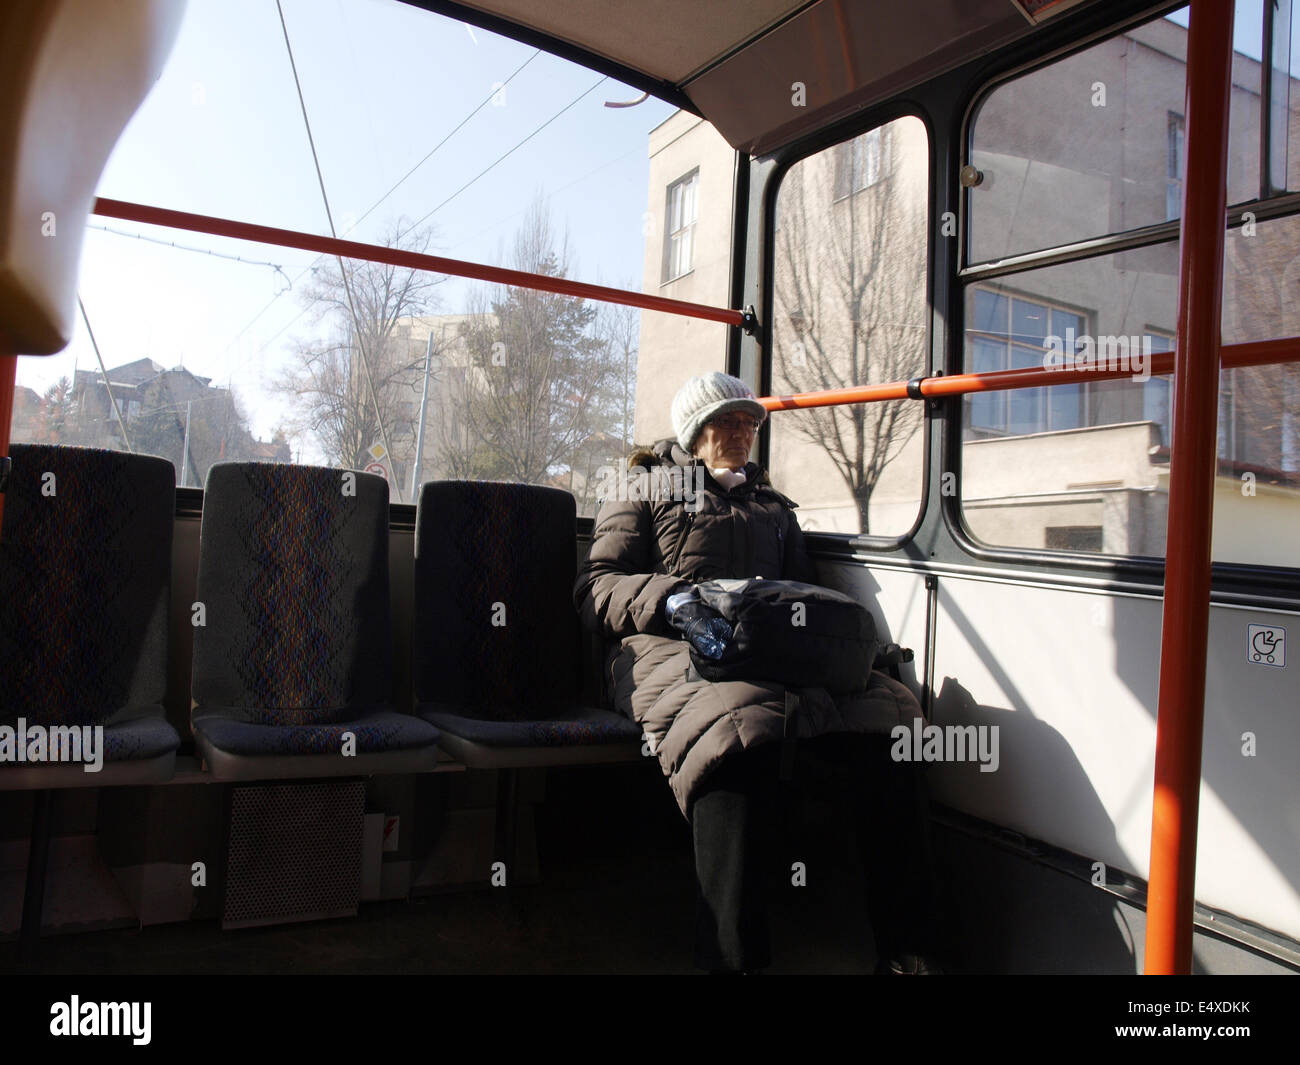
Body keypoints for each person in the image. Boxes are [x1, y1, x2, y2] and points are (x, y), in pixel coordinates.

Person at [574, 371, 939, 973]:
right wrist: (673, 602)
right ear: (694, 433)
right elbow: (597, 588)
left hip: (768, 648)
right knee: (735, 740)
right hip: (670, 646)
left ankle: (911, 953)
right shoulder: (646, 488)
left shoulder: (772, 504)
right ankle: (734, 960)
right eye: (727, 421)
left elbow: (801, 588)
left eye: (750, 422)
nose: (743, 432)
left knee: (892, 723)